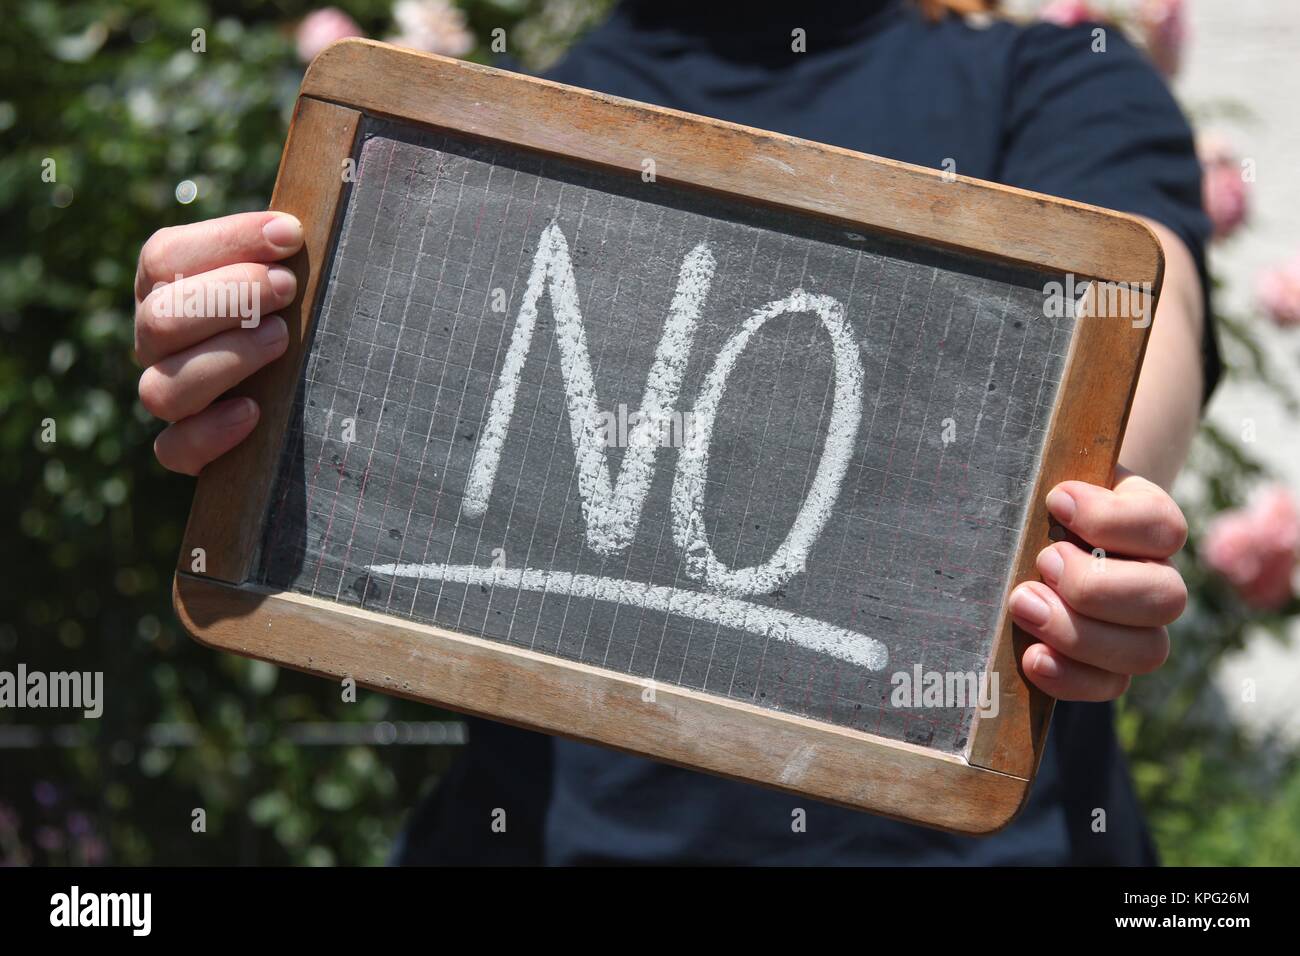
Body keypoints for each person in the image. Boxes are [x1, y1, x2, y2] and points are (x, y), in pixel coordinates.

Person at [134, 0, 1214, 864]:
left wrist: (1098, 515)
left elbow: (1134, 351)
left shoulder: (1054, 80)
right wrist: (249, 359)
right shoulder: (476, 135)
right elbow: (353, 448)